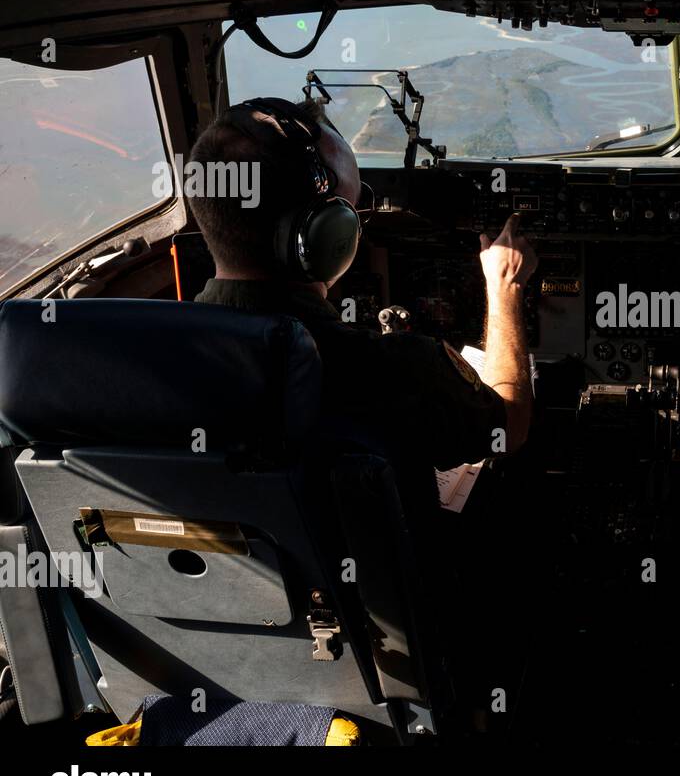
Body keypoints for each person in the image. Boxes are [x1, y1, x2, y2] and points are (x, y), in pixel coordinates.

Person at [185, 96, 538, 489]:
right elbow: (508, 429)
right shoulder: (391, 369)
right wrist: (505, 285)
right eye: (353, 213)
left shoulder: (153, 354)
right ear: (324, 235)